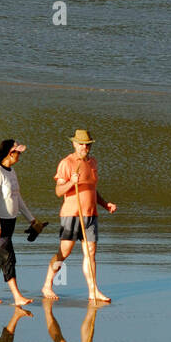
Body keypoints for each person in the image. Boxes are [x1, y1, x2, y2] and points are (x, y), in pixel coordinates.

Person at [41, 129, 117, 302]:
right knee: (64, 253)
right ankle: (47, 284)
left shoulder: (93, 163)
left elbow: (92, 190)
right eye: (81, 144)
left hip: (91, 214)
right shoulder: (67, 163)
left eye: (87, 144)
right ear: (74, 144)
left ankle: (93, 291)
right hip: (71, 215)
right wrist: (70, 182)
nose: (85, 147)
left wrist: (106, 205)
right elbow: (58, 191)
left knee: (90, 253)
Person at [0, 139, 39, 305]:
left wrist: (31, 219)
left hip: (10, 222)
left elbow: (17, 198)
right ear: (9, 152)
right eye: (18, 152)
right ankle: (17, 296)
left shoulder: (11, 172)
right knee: (8, 257)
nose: (20, 155)